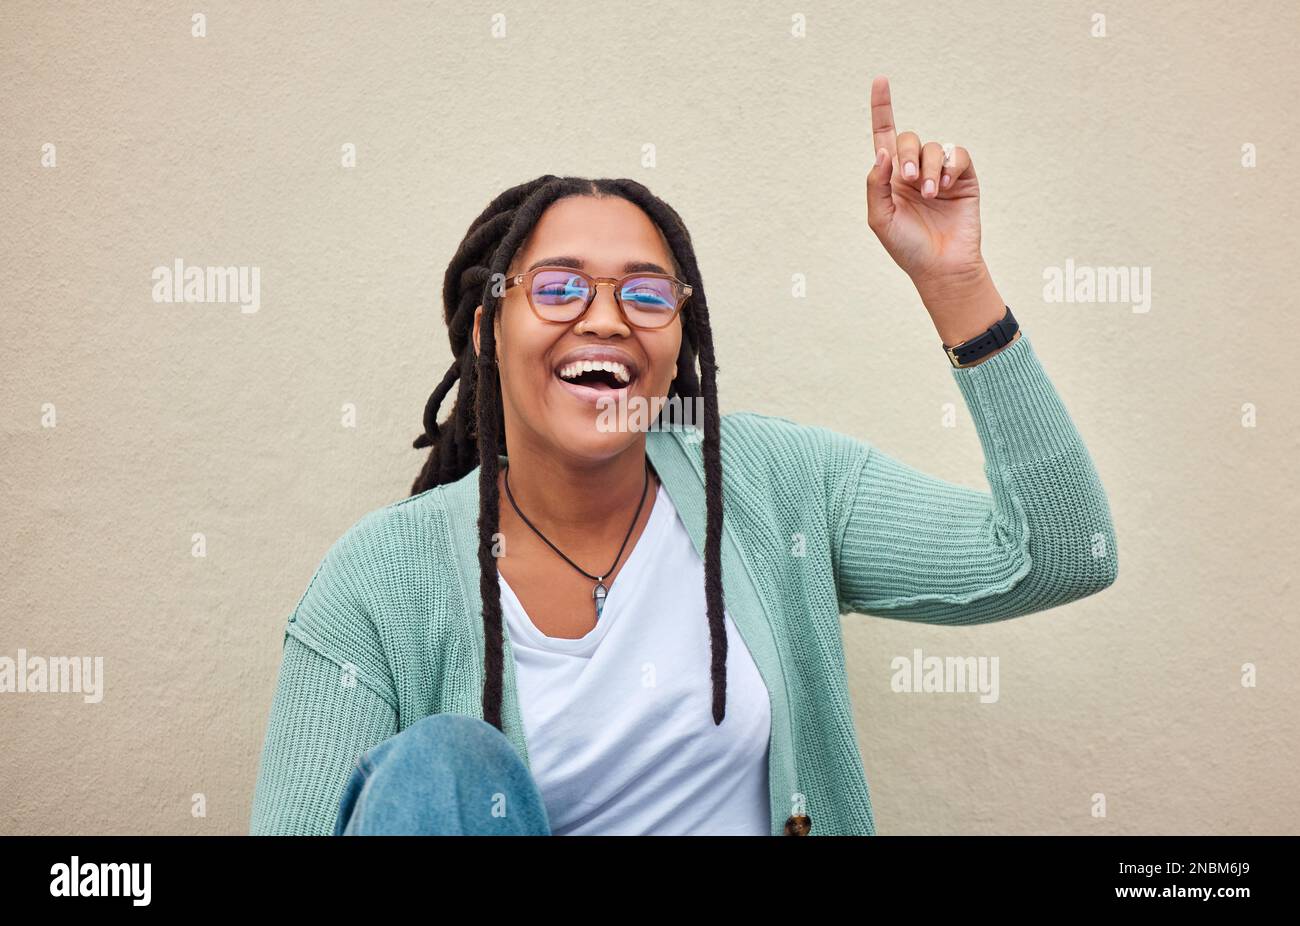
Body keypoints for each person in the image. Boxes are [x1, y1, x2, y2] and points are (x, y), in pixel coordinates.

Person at [250, 77, 1118, 837]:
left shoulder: (775, 485)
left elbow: (1061, 554)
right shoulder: (378, 581)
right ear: (488, 329)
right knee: (443, 762)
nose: (605, 317)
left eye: (645, 292)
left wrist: (954, 282)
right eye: (557, 287)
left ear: (679, 336)